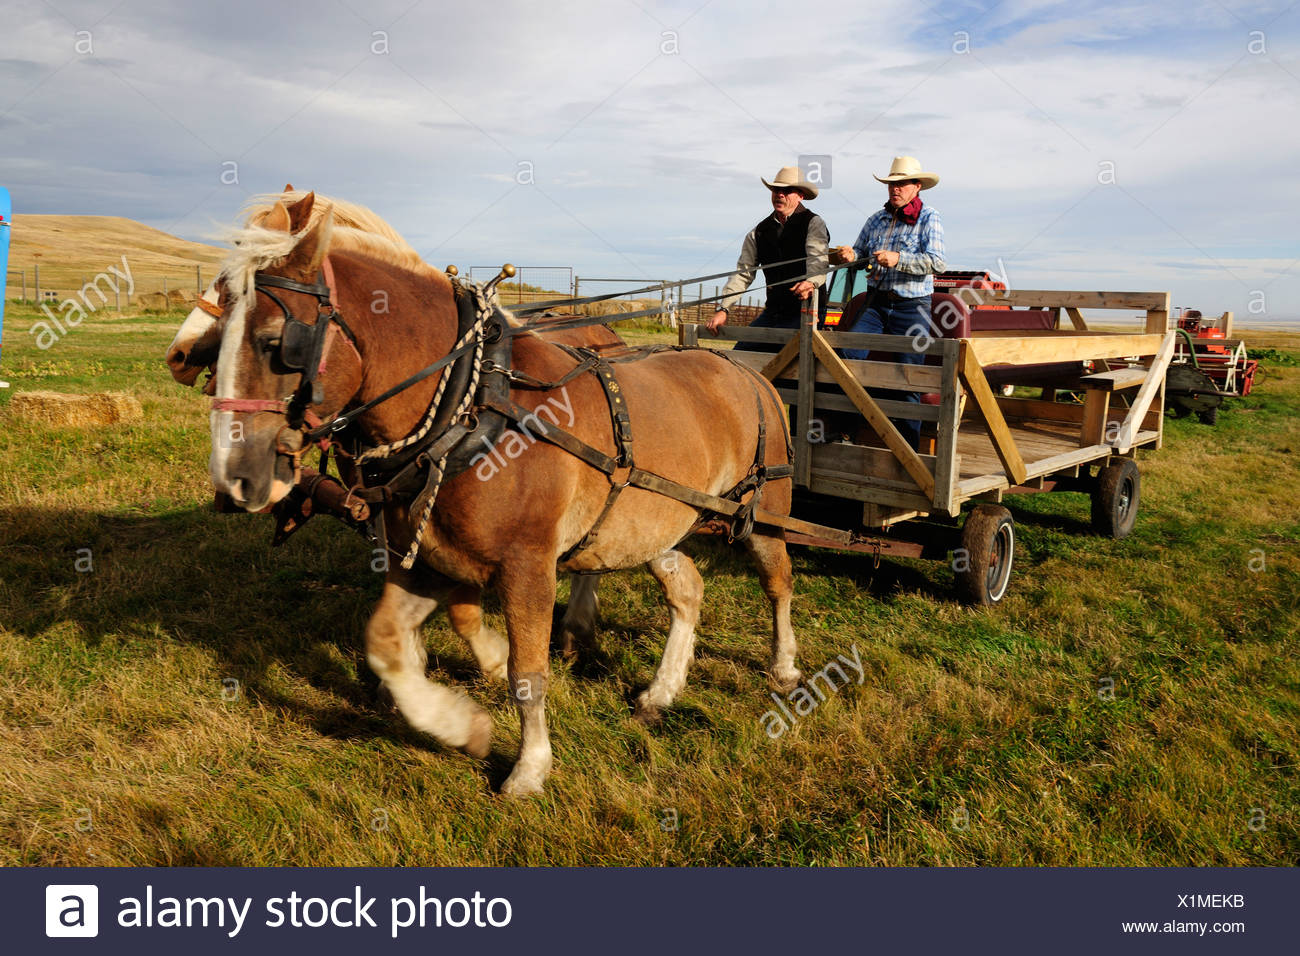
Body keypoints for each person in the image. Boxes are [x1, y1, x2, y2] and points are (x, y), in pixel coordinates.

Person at [833, 155, 946, 448]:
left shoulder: (929, 217)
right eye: (891, 184)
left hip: (912, 306)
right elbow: (859, 253)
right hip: (876, 302)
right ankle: (846, 431)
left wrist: (899, 259)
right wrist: (849, 257)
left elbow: (937, 262)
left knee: (909, 374)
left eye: (901, 183)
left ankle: (908, 448)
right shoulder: (876, 219)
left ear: (916, 186)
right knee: (847, 358)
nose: (894, 189)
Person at [706, 166, 829, 351]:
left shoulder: (813, 223)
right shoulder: (759, 232)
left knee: (784, 361)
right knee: (740, 356)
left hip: (805, 312)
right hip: (773, 312)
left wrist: (811, 283)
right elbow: (743, 273)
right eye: (775, 190)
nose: (779, 194)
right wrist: (723, 309)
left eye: (786, 191)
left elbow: (817, 262)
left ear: (800, 195)